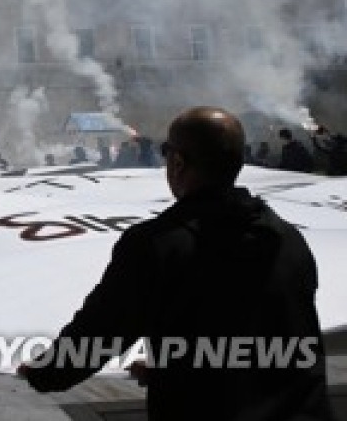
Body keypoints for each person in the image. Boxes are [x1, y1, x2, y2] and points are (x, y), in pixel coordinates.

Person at [19, 107, 334, 420]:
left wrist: (44, 372)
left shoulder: (156, 244)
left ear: (177, 162)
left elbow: (99, 333)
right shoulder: (287, 237)